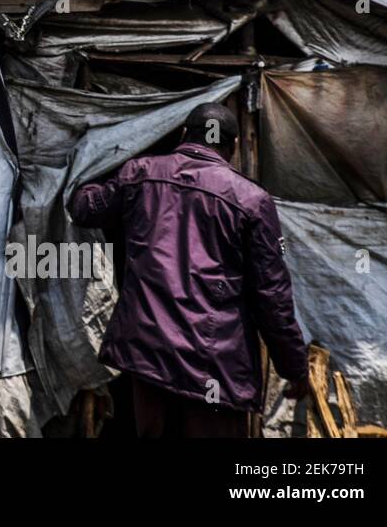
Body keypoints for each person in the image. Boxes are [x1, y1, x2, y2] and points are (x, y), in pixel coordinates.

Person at [69, 102, 310, 437]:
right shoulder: (252, 201)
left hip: (150, 359)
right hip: (214, 367)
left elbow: (84, 208)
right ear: (234, 147)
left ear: (183, 134)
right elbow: (272, 296)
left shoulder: (139, 174)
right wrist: (294, 367)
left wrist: (90, 167)